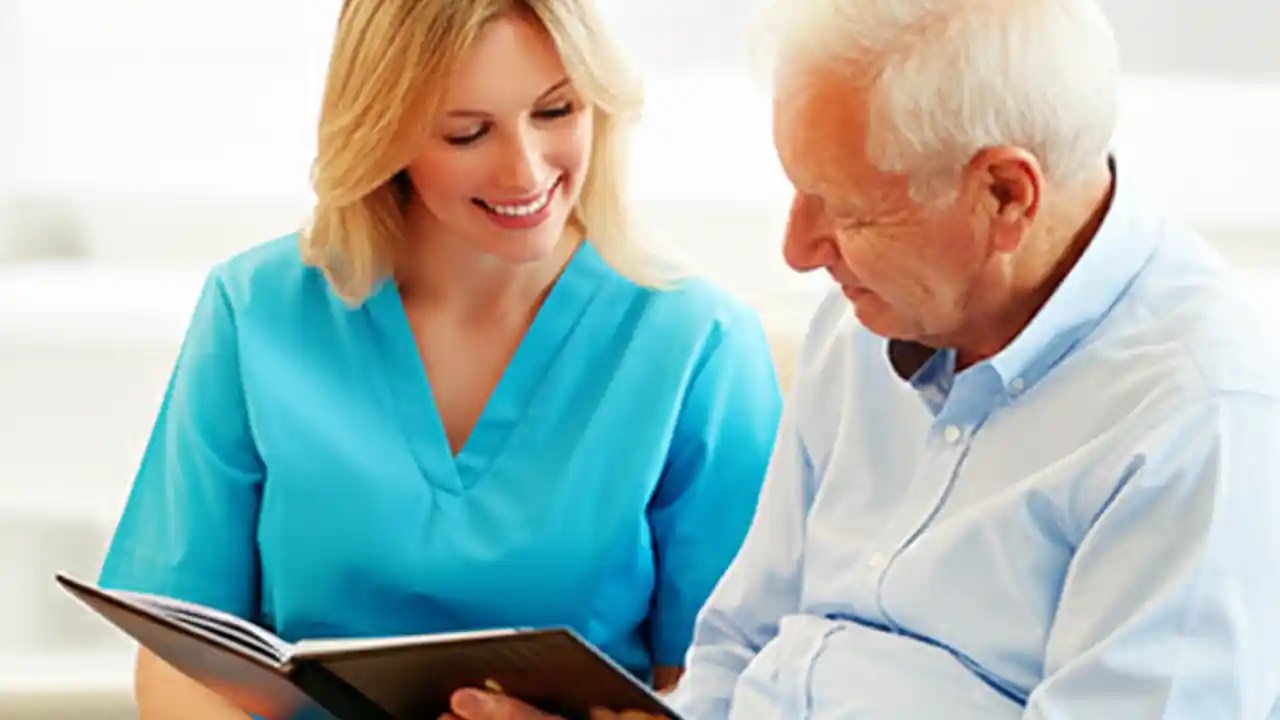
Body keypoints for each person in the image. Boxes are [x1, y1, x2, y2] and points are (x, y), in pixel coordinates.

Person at [445, 0, 1280, 718]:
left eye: (847, 210)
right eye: (799, 191)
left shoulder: (1198, 418)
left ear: (1004, 195)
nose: (799, 249)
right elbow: (739, 643)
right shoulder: (866, 323)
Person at [96, 1, 783, 717]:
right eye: (467, 132)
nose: (525, 170)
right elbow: (179, 658)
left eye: (555, 111)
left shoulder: (697, 341)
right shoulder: (254, 312)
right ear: (383, 132)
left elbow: (722, 683)